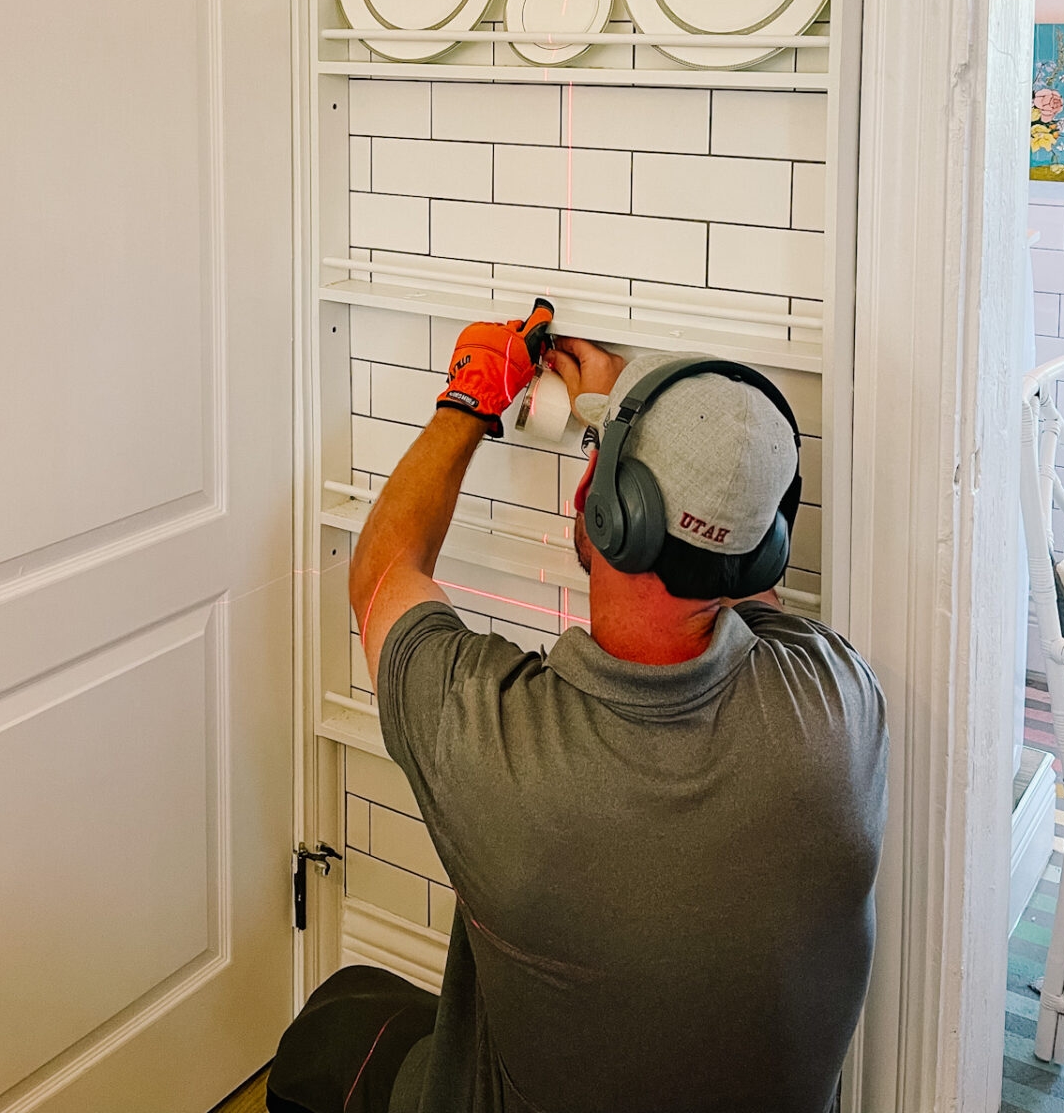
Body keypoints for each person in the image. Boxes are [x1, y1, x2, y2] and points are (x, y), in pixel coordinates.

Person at [268, 307, 888, 1113]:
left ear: (597, 502)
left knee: (332, 1028)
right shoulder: (838, 705)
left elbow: (383, 573)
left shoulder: (500, 750)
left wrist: (468, 403)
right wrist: (614, 422)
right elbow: (744, 586)